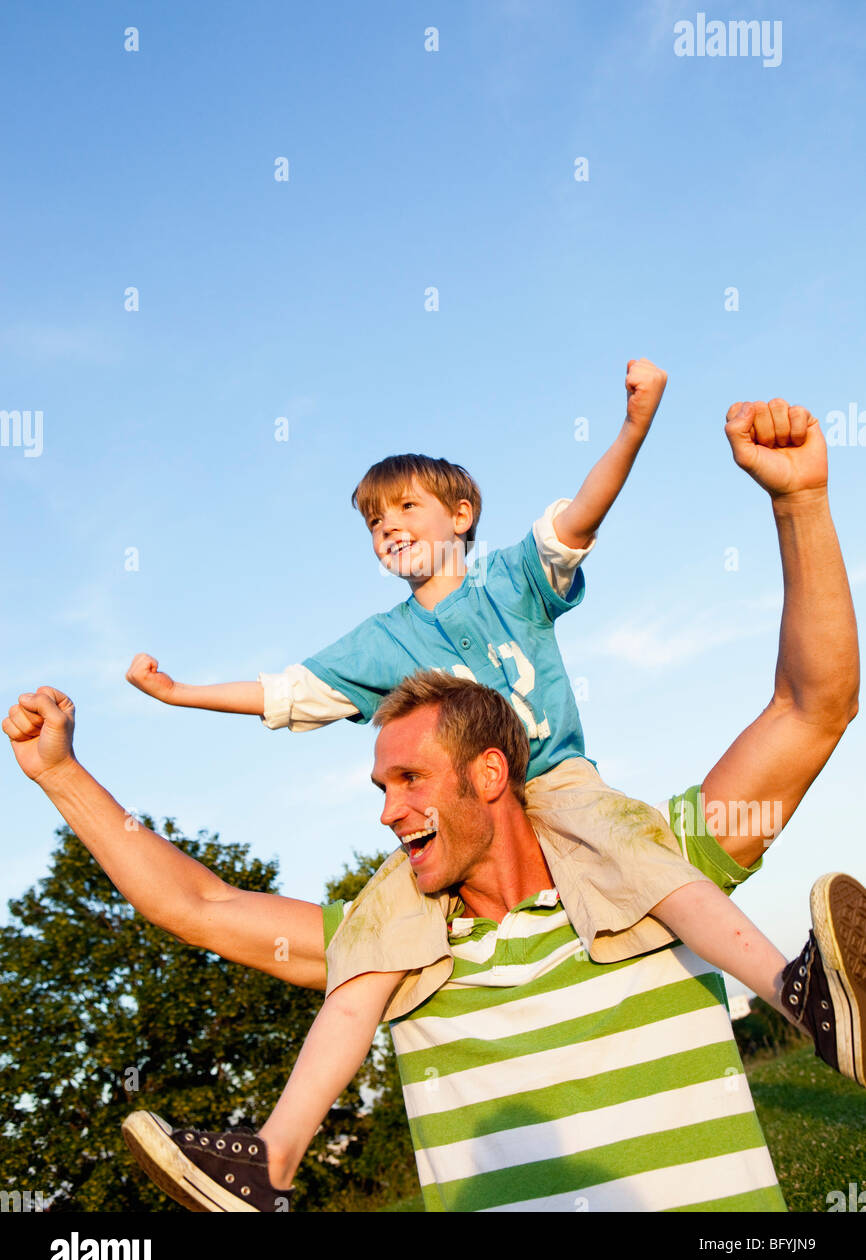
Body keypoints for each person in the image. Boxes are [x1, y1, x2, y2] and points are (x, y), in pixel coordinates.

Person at [4, 394, 862, 1212]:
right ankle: (270, 1160)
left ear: (489, 773)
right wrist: (65, 770)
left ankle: (804, 1000)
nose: (386, 812)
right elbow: (198, 905)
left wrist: (802, 503)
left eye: (409, 780)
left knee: (628, 840)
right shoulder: (397, 944)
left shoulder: (653, 858)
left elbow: (812, 705)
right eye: (380, 786)